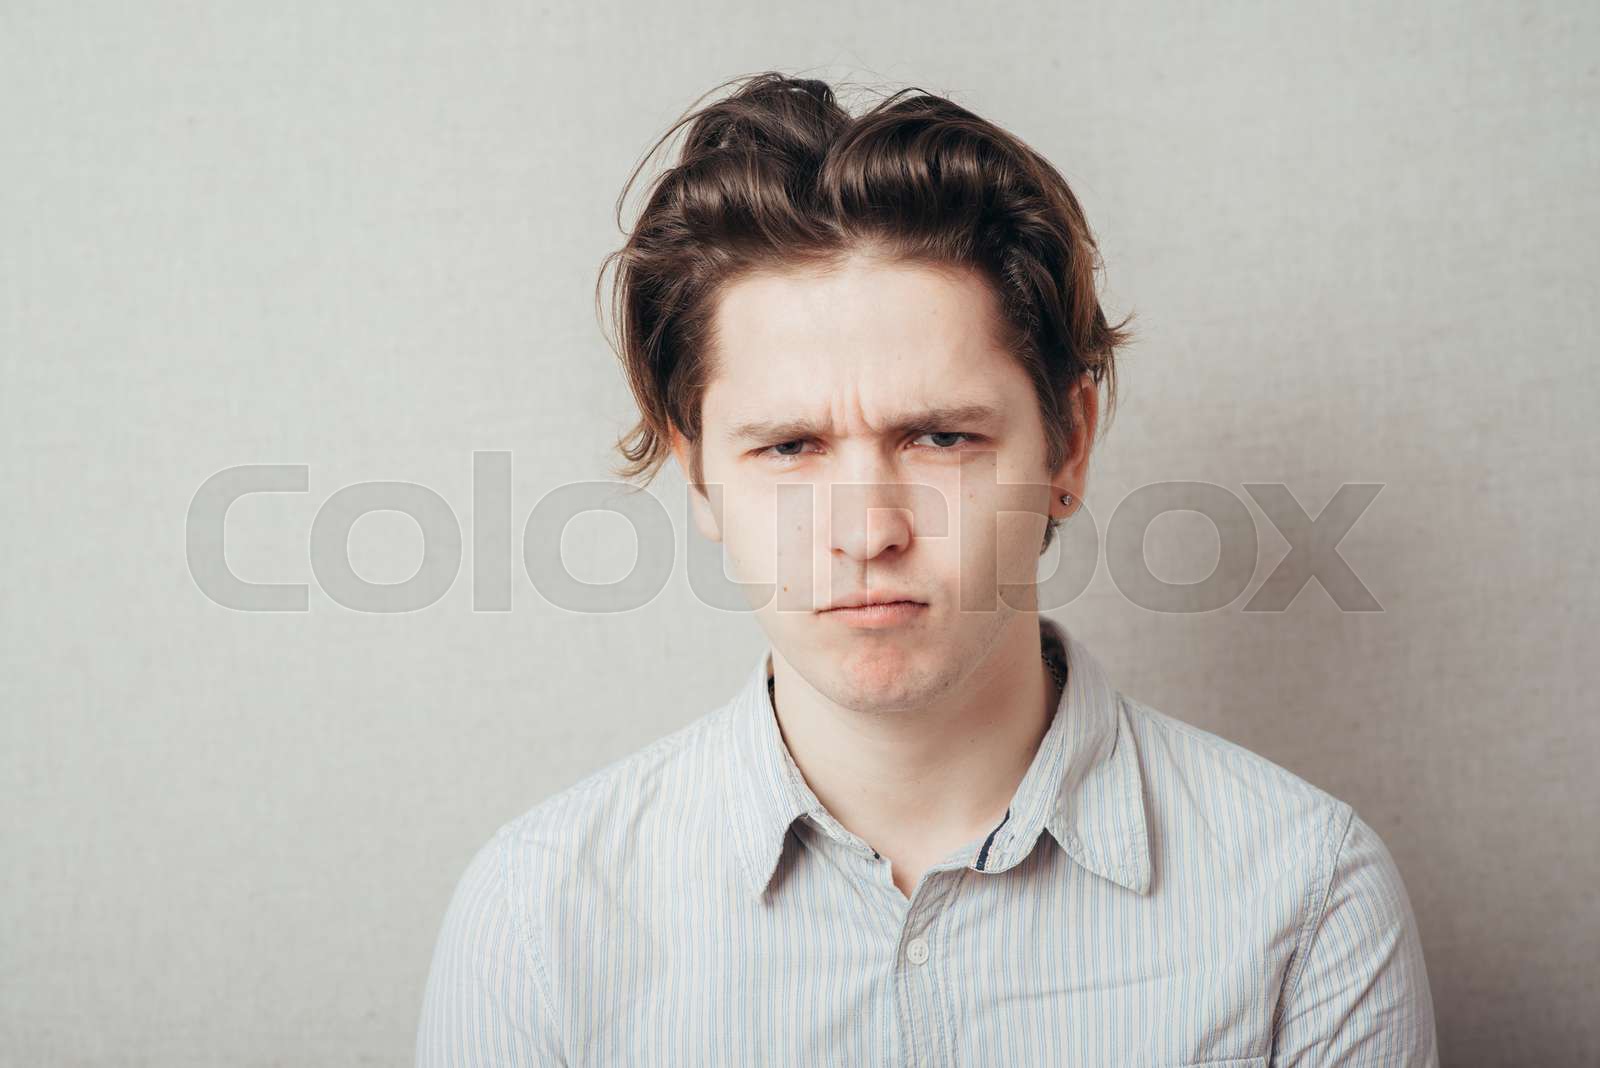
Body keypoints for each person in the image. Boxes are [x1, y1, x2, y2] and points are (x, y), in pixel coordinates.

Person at [417, 71, 1437, 1066]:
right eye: (788, 448)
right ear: (698, 480)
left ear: (1066, 446)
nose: (867, 531)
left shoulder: (1307, 894)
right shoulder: (537, 916)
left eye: (940, 437)